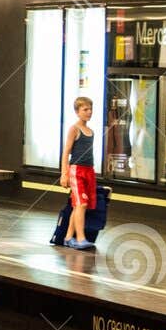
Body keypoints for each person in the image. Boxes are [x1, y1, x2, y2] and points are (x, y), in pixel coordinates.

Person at [59, 95, 97, 250]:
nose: (89, 112)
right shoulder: (74, 129)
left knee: (78, 206)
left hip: (89, 170)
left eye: (90, 109)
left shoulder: (91, 131)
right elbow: (66, 151)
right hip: (76, 170)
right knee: (82, 204)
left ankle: (68, 237)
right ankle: (80, 238)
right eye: (85, 109)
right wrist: (64, 173)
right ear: (77, 112)